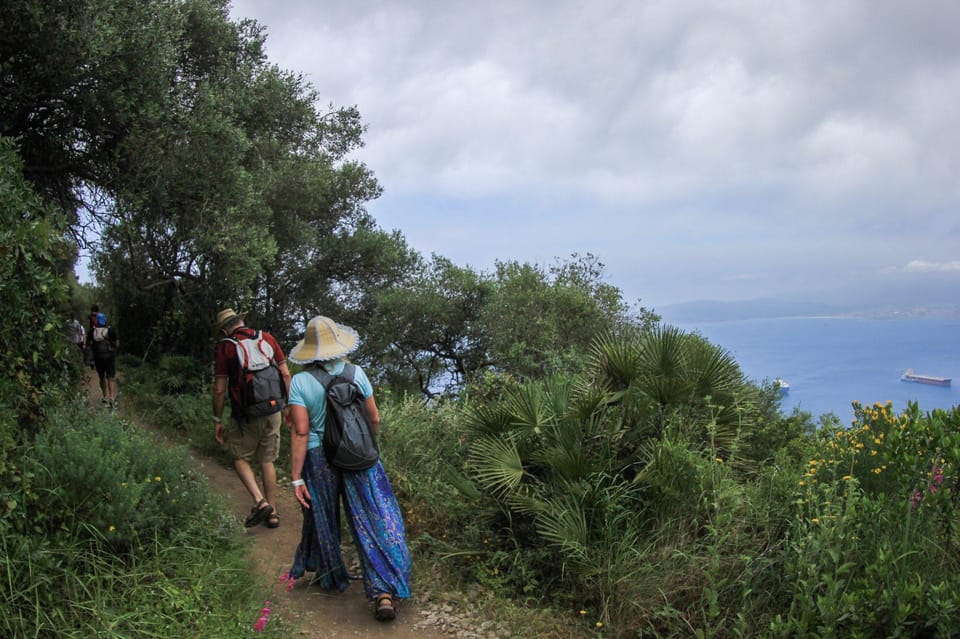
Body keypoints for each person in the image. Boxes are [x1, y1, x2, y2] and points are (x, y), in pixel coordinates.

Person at [286, 316, 411, 622]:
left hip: (318, 457)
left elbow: (300, 431)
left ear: (309, 351)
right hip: (357, 454)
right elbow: (374, 418)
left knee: (324, 515)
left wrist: (296, 477)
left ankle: (332, 575)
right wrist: (361, 444)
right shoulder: (356, 373)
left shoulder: (300, 382)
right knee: (374, 517)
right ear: (338, 344)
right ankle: (384, 591)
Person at [212, 308, 291, 529]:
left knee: (239, 457)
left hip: (246, 414)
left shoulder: (226, 347)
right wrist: (288, 406)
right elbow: (285, 374)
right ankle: (273, 513)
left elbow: (219, 389)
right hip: (274, 409)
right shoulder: (267, 338)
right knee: (267, 460)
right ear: (241, 321)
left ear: (224, 329)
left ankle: (260, 501)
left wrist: (217, 419)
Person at [88, 312, 119, 408]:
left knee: (101, 377)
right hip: (110, 357)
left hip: (98, 357)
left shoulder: (92, 331)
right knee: (111, 377)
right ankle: (112, 397)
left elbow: (88, 345)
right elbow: (117, 344)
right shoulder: (111, 330)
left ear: (96, 321)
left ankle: (105, 397)